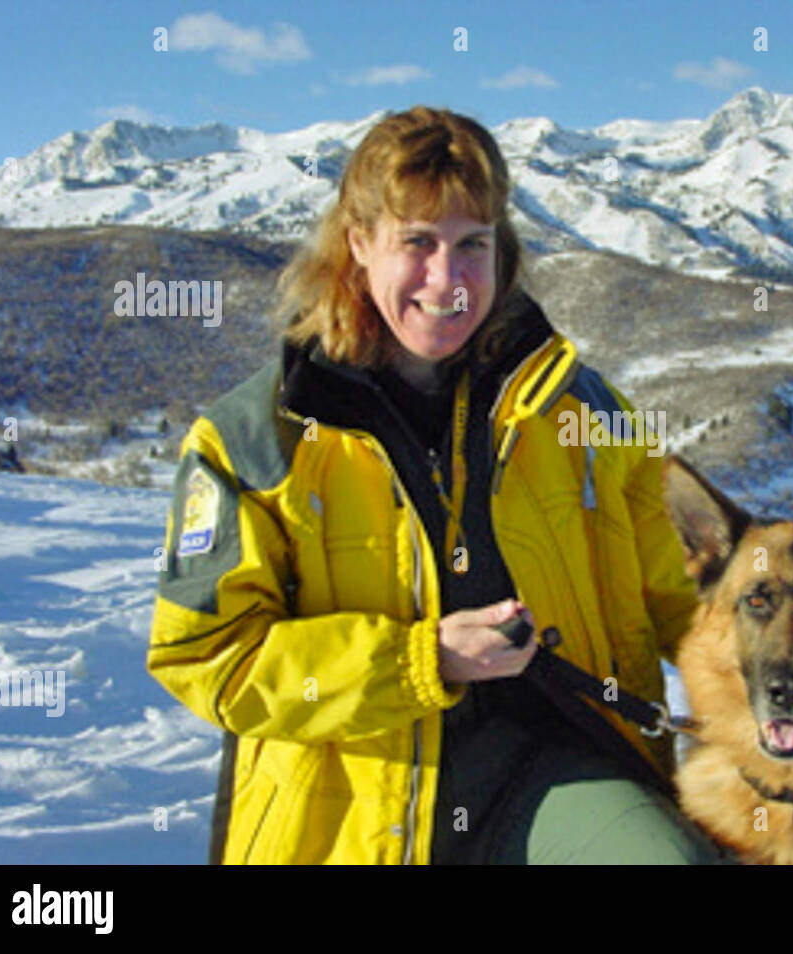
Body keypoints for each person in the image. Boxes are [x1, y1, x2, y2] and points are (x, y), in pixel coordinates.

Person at [146, 105, 723, 864]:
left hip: (551, 764)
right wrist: (422, 660)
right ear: (358, 245)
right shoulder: (257, 440)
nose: (447, 281)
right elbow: (207, 654)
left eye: (471, 246)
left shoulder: (577, 412)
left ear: (501, 251)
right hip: (354, 803)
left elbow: (690, 595)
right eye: (416, 243)